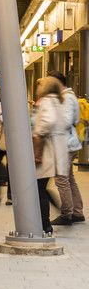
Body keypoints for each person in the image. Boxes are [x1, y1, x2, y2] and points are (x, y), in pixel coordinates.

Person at [32, 76, 70, 235]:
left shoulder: (47, 101)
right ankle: (53, 214)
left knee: (38, 188)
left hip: (44, 151)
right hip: (54, 150)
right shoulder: (59, 101)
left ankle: (45, 225)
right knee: (41, 187)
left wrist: (38, 135)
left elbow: (46, 122)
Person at [48, 71, 84, 225]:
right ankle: (77, 212)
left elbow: (66, 121)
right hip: (69, 142)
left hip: (65, 144)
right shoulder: (67, 97)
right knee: (69, 178)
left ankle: (67, 213)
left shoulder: (67, 98)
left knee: (61, 179)